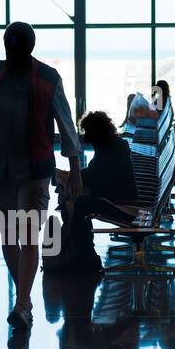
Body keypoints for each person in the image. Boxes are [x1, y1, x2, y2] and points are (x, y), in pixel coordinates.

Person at [0, 21, 82, 333]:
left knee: (28, 236)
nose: (12, 53)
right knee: (8, 236)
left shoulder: (48, 77)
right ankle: (24, 297)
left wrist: (75, 170)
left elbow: (66, 124)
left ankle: (21, 303)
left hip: (33, 170)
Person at [46, 111, 137, 273]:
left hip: (123, 205)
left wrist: (70, 177)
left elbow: (97, 178)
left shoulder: (110, 150)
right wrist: (73, 176)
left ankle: (79, 253)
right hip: (119, 198)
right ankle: (80, 252)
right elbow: (97, 174)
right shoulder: (114, 145)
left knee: (78, 204)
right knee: (74, 200)